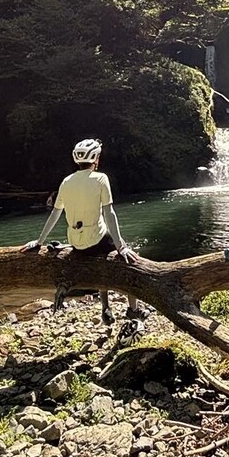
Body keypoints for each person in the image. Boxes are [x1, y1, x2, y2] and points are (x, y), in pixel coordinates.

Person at [23, 138, 143, 323]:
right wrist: (121, 247)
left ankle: (105, 307)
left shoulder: (66, 181)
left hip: (76, 244)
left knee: (102, 251)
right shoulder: (101, 178)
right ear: (95, 159)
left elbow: (55, 214)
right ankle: (133, 310)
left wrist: (39, 242)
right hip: (97, 241)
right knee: (125, 257)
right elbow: (109, 213)